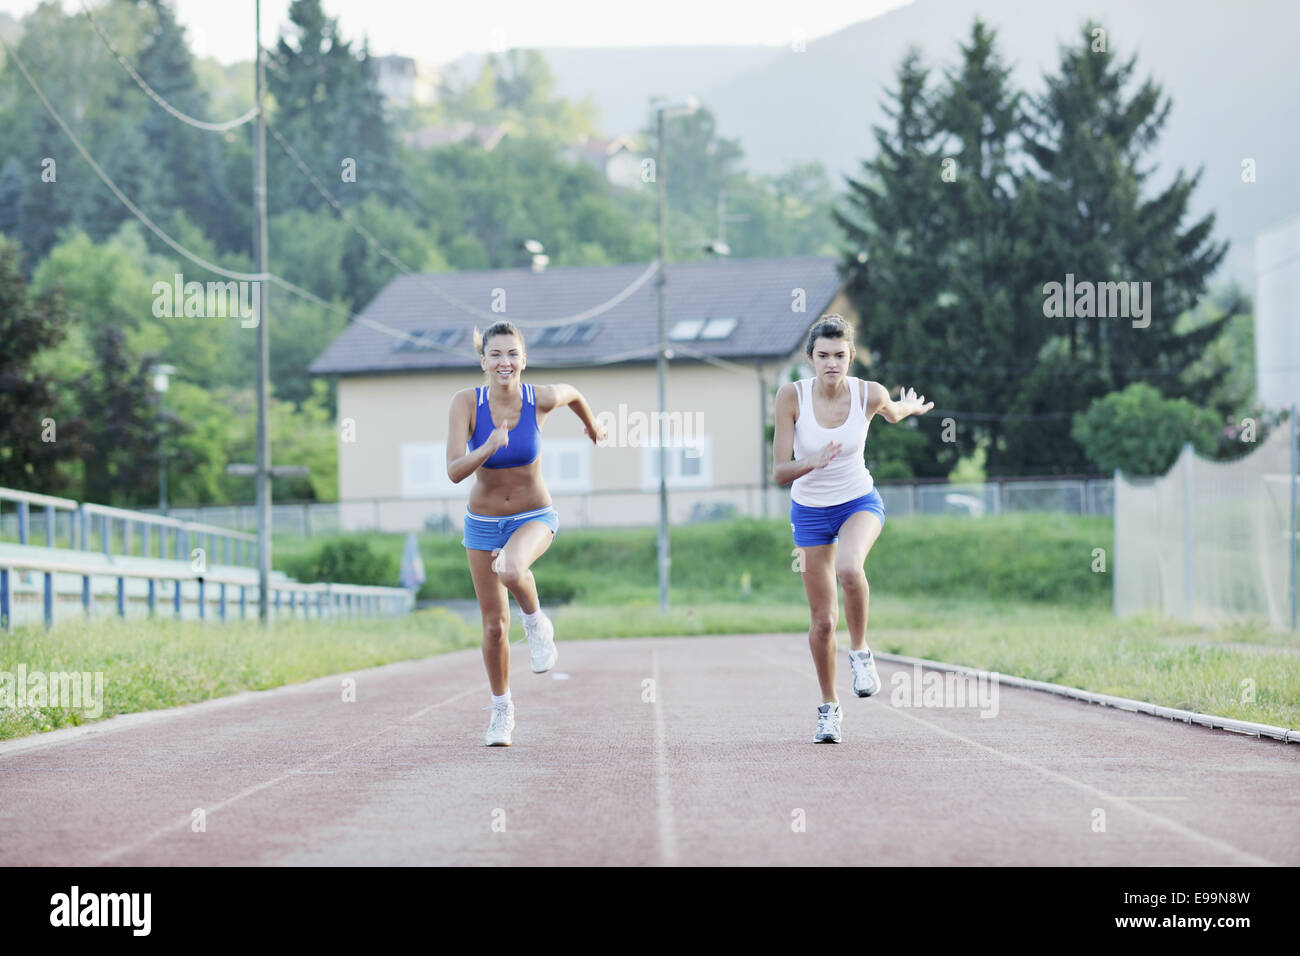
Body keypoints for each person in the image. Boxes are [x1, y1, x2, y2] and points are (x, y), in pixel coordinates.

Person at [771, 314, 933, 743]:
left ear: (851, 356)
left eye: (839, 355)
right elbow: (779, 471)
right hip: (809, 511)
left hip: (858, 502)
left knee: (849, 568)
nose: (831, 363)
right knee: (823, 622)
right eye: (823, 356)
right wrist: (812, 461)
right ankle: (829, 710)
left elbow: (893, 413)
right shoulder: (791, 397)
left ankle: (860, 651)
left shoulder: (868, 393)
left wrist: (909, 407)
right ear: (810, 358)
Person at [446, 321, 606, 746]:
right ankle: (502, 712)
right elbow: (454, 472)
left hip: (534, 515)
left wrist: (591, 426)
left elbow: (573, 392)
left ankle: (536, 625)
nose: (504, 362)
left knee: (513, 568)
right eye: (496, 354)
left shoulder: (539, 399)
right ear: (483, 361)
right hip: (481, 524)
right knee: (495, 627)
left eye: (512, 354)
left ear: (524, 359)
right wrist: (488, 446)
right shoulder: (466, 403)